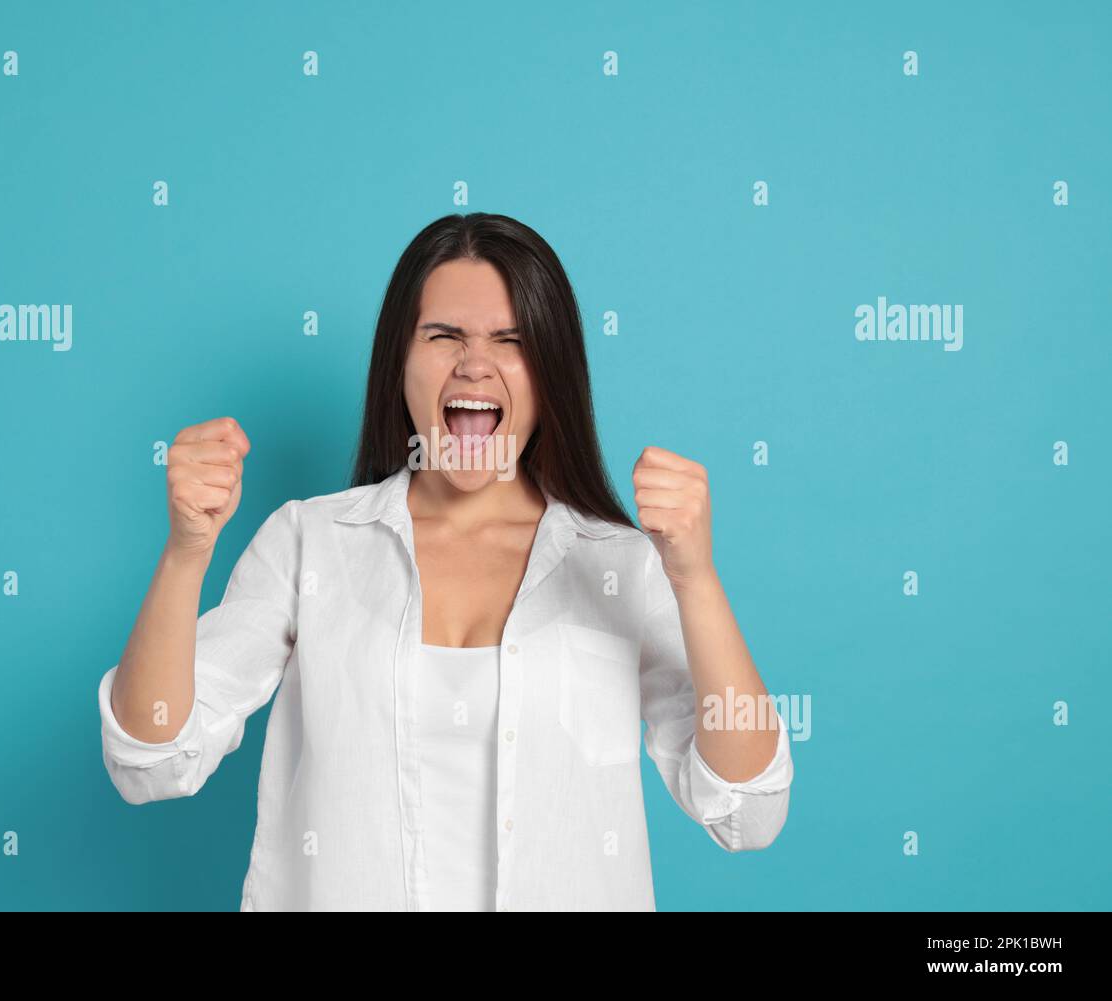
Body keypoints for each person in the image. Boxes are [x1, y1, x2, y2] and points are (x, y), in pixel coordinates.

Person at [97, 212, 794, 912]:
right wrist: (187, 553)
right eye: (444, 335)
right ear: (400, 360)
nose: (474, 363)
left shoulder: (620, 564)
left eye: (511, 340)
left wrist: (696, 579)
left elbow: (746, 808)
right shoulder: (310, 542)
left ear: (552, 371)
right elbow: (148, 758)